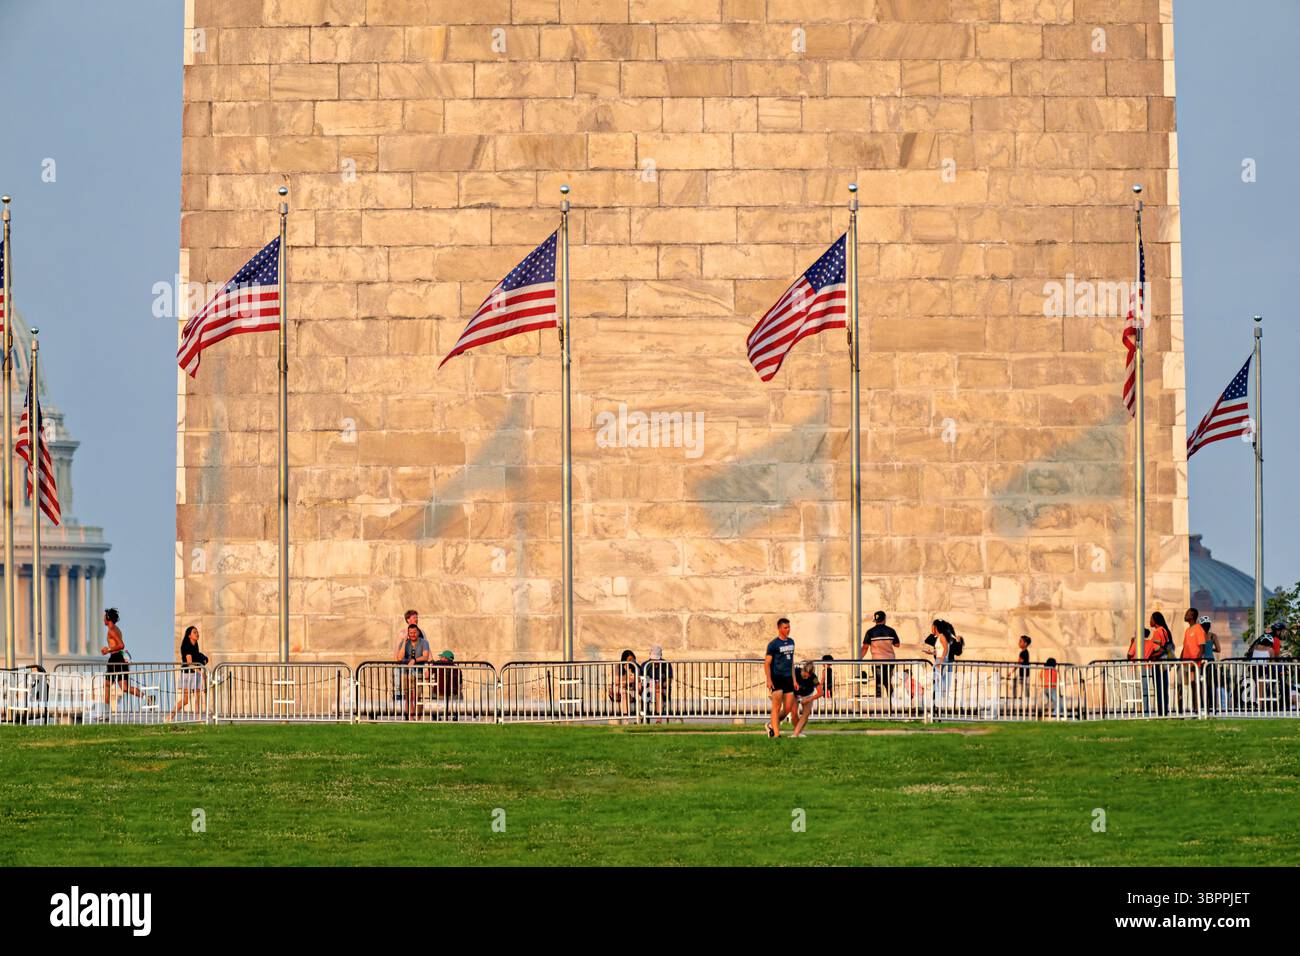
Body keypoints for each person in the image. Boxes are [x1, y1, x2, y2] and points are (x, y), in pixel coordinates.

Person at [99, 608, 153, 716]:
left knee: (107, 685)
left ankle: (105, 713)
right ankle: (147, 697)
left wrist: (108, 650)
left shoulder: (112, 630)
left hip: (115, 659)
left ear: (108, 618)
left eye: (104, 617)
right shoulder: (116, 629)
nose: (103, 619)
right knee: (124, 688)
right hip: (119, 659)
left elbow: (121, 645)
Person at [168, 625, 208, 721]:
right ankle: (170, 716)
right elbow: (189, 663)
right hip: (187, 674)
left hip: (195, 674)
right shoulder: (186, 645)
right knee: (185, 700)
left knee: (197, 697)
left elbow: (198, 659)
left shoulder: (195, 645)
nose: (197, 634)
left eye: (197, 632)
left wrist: (203, 663)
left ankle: (199, 719)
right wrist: (200, 672)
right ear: (189, 635)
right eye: (194, 632)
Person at [764, 618, 796, 738]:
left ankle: (771, 725)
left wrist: (794, 680)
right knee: (776, 707)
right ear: (779, 628)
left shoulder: (792, 642)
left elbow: (791, 662)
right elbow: (767, 663)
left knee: (787, 708)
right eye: (785, 627)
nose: (788, 630)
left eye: (789, 627)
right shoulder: (773, 644)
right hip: (777, 677)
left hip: (788, 678)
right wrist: (769, 679)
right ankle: (776, 735)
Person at [861, 610, 900, 707]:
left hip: (877, 661)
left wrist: (858, 659)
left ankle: (878, 706)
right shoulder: (891, 631)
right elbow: (897, 644)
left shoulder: (870, 632)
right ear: (884, 619)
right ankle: (892, 703)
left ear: (875, 620)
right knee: (887, 682)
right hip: (890, 661)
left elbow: (865, 647)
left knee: (878, 683)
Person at [395, 622, 431, 720]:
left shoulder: (424, 642)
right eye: (410, 633)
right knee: (408, 697)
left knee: (417, 696)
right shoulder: (404, 643)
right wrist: (404, 643)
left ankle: (418, 717)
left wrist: (414, 660)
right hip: (406, 673)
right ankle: (410, 717)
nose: (412, 634)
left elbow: (426, 656)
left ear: (418, 633)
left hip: (419, 672)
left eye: (414, 632)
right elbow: (399, 658)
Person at [1177, 607, 1204, 714]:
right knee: (1180, 686)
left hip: (1193, 664)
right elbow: (1185, 647)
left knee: (1194, 686)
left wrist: (1196, 662)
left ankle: (1196, 709)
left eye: (1187, 613)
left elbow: (1202, 647)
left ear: (1192, 616)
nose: (1185, 615)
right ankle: (1180, 711)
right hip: (1184, 664)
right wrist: (1179, 661)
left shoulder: (1198, 629)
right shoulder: (1188, 630)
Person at [790, 661, 825, 737]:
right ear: (802, 670)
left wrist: (808, 700)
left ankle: (795, 734)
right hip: (795, 694)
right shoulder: (795, 672)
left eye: (808, 676)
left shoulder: (814, 677)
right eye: (805, 676)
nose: (807, 678)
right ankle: (798, 732)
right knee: (793, 713)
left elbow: (821, 692)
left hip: (807, 695)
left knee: (805, 714)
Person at [393, 609, 421, 700]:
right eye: (414, 617)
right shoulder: (402, 633)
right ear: (408, 619)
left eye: (417, 617)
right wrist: (396, 663)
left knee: (417, 692)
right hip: (404, 665)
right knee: (402, 690)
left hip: (417, 665)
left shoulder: (421, 633)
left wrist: (430, 663)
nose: (416, 619)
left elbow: (427, 649)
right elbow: (396, 649)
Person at [642, 645, 673, 722]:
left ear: (661, 656)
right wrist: (649, 683)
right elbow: (642, 680)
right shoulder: (645, 665)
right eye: (653, 658)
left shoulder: (666, 664)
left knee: (658, 691)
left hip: (662, 690)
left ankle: (659, 719)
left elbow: (668, 682)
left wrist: (660, 684)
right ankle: (643, 717)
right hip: (648, 690)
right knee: (648, 691)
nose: (655, 661)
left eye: (656, 658)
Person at [429, 649, 462, 721]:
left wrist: (433, 663)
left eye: (442, 657)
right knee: (459, 695)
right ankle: (456, 715)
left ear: (445, 658)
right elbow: (460, 683)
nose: (440, 658)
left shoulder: (437, 664)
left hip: (439, 692)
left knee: (433, 692)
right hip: (453, 693)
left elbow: (429, 672)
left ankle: (435, 715)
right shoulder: (457, 668)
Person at [608, 649, 639, 715]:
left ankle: (625, 719)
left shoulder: (635, 668)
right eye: (629, 660)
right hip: (616, 692)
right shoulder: (618, 667)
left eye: (633, 660)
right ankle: (626, 718)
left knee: (625, 694)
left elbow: (638, 680)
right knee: (623, 691)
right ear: (624, 659)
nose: (631, 662)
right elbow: (616, 681)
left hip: (628, 692)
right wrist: (628, 680)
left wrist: (627, 682)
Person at [1011, 635, 1031, 709]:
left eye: (1020, 641)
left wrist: (1012, 671)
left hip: (1024, 674)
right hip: (1024, 674)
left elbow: (1019, 662)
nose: (1019, 643)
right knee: (1024, 689)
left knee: (1023, 690)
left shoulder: (1023, 653)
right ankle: (1025, 705)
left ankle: (1024, 705)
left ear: (1025, 643)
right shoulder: (1024, 652)